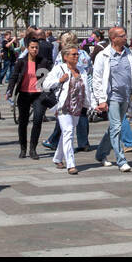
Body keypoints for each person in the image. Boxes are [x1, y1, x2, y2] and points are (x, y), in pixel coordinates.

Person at [92, 26, 132, 171]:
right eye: (122, 35)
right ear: (113, 38)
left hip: (126, 95)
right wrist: (101, 99)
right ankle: (121, 161)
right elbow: (97, 79)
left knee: (113, 128)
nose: (125, 37)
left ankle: (101, 153)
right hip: (112, 96)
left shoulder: (129, 53)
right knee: (117, 127)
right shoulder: (103, 55)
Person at [44, 46, 88, 174]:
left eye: (77, 54)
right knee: (69, 131)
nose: (76, 56)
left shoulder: (82, 71)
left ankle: (57, 157)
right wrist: (59, 80)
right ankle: (71, 164)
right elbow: (46, 84)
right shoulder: (59, 68)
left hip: (77, 106)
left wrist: (92, 103)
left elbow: (86, 88)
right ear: (65, 57)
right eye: (73, 54)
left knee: (66, 133)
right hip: (63, 106)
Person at [8, 36, 53, 158]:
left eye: (36, 47)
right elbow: (14, 76)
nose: (34, 50)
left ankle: (33, 149)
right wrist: (10, 89)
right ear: (27, 48)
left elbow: (50, 76)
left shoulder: (43, 61)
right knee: (23, 122)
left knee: (38, 120)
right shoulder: (21, 62)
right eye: (32, 47)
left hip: (38, 95)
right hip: (24, 94)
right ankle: (23, 148)